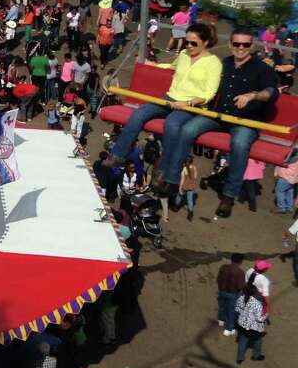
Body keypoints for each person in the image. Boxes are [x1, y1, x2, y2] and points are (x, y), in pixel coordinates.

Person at [156, 26, 278, 218]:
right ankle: (171, 180)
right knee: (187, 130)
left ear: (252, 46)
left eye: (245, 45)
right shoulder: (224, 64)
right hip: (219, 116)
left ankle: (229, 195)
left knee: (239, 144)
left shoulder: (262, 69)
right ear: (230, 45)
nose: (241, 48)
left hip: (245, 120)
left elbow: (271, 92)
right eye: (237, 44)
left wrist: (253, 95)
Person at [108, 23, 222, 173]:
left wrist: (188, 102)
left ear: (205, 42)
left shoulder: (214, 63)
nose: (189, 46)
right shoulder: (184, 54)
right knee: (139, 113)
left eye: (193, 43)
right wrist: (151, 64)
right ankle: (118, 154)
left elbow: (209, 93)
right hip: (170, 97)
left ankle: (165, 167)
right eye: (187, 42)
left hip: (192, 105)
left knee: (172, 123)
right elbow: (172, 67)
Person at [234, 272, 269, 364]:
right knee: (258, 341)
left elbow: (237, 309)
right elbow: (259, 319)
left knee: (243, 341)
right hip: (254, 327)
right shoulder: (257, 304)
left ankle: (240, 358)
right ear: (254, 293)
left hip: (242, 324)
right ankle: (256, 356)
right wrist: (266, 315)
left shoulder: (241, 298)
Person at [216, 253, 246, 337]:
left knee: (222, 306)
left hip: (222, 291)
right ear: (240, 262)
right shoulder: (240, 272)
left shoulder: (223, 267)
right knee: (231, 311)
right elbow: (240, 286)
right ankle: (228, 329)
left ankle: (221, 320)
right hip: (232, 294)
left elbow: (218, 279)